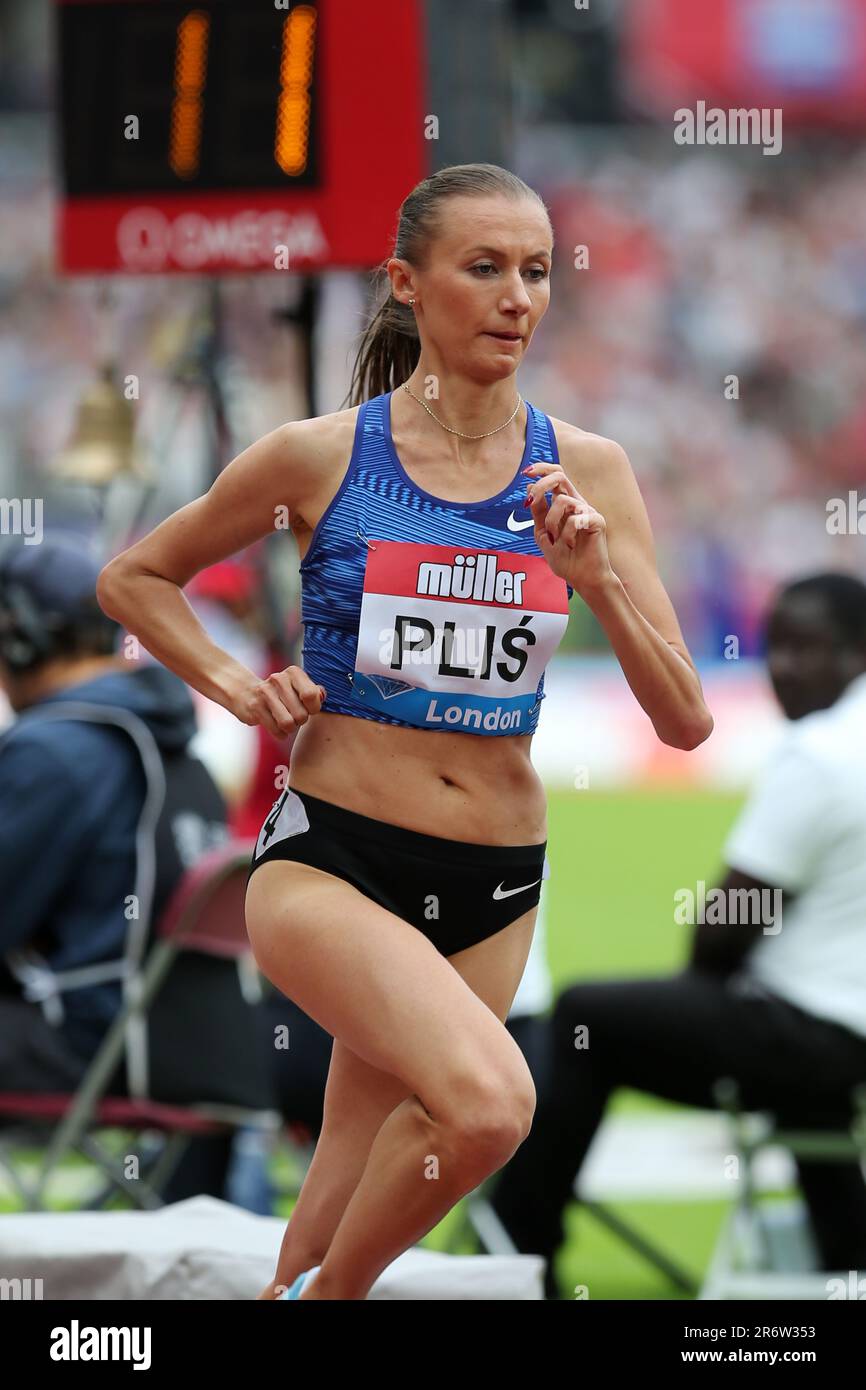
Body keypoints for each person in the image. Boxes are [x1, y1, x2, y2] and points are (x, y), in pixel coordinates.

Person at [96, 162, 712, 1300]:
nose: (515, 296)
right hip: (331, 855)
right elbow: (136, 578)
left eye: (534, 271)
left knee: (346, 1168)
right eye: (482, 268)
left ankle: (301, 1287)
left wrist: (599, 582)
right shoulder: (319, 457)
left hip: (494, 879)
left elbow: (682, 719)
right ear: (406, 284)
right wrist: (239, 687)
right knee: (489, 1106)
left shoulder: (589, 473)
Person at [490, 571, 866, 1296]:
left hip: (815, 1030)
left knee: (586, 1017)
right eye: (773, 647)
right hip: (842, 1033)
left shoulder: (822, 753)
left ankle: (520, 1255)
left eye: (804, 649)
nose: (780, 669)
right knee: (802, 1084)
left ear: (854, 654)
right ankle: (847, 1256)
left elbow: (723, 931)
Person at [0, 536, 274, 1205]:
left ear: (25, 636)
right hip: (189, 1052)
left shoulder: (53, 752)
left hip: (84, 1049)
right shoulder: (182, 752)